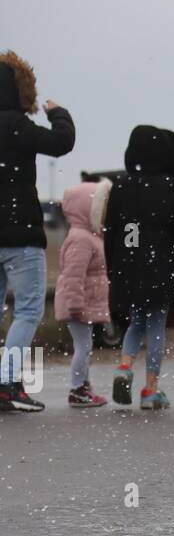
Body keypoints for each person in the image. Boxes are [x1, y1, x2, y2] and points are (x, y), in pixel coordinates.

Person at [0, 51, 75, 412]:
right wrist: (57, 112)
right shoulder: (17, 125)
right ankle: (8, 384)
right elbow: (61, 143)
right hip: (21, 236)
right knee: (28, 311)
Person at [105, 126, 174, 410]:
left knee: (135, 320)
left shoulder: (121, 185)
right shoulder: (171, 186)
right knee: (156, 325)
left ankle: (124, 366)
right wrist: (169, 246)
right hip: (159, 263)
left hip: (128, 264)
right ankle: (150, 389)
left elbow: (113, 231)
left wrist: (115, 266)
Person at [53, 180, 112, 405]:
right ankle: (78, 389)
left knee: (85, 346)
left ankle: (83, 387)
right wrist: (76, 305)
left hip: (82, 302)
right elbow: (73, 276)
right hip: (78, 305)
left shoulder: (88, 236)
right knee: (83, 347)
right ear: (90, 209)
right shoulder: (81, 239)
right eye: (102, 206)